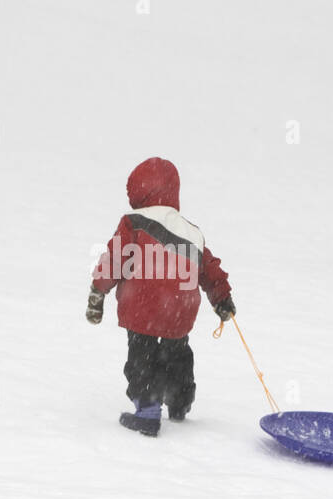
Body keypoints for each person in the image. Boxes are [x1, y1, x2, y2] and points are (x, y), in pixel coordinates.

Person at [86, 157, 235, 436]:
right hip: (180, 306)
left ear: (141, 190)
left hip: (141, 302)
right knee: (176, 351)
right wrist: (221, 298)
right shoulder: (192, 231)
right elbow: (209, 269)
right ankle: (179, 402)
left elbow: (117, 258)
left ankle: (147, 412)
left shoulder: (134, 222)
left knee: (142, 354)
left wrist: (98, 291)